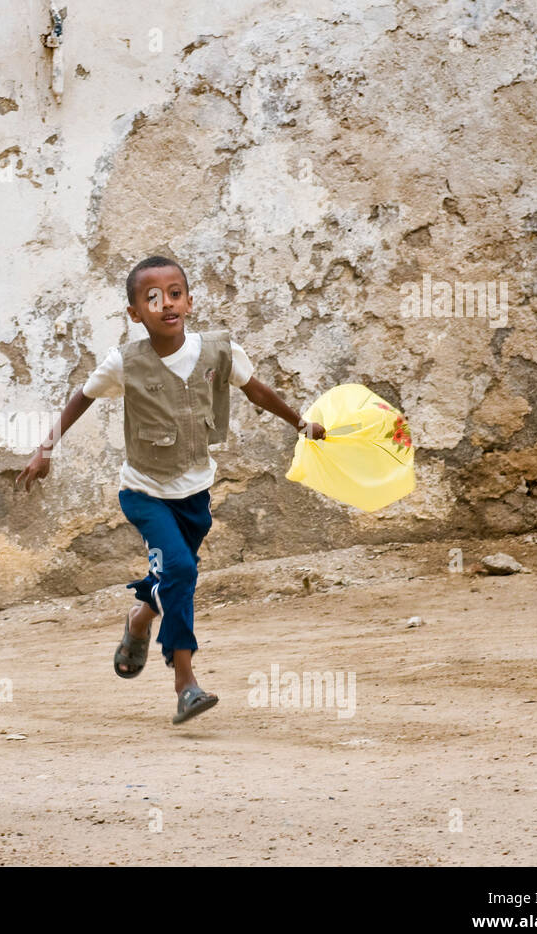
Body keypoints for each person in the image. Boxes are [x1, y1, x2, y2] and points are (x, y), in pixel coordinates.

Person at [16, 255, 326, 724]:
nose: (166, 304)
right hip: (144, 493)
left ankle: (141, 619)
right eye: (152, 297)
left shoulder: (217, 352)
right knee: (180, 570)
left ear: (190, 300)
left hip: (195, 494)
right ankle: (186, 682)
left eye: (175, 293)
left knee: (174, 577)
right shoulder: (127, 362)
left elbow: (256, 391)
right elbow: (83, 396)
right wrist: (45, 449)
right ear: (135, 313)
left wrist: (301, 423)